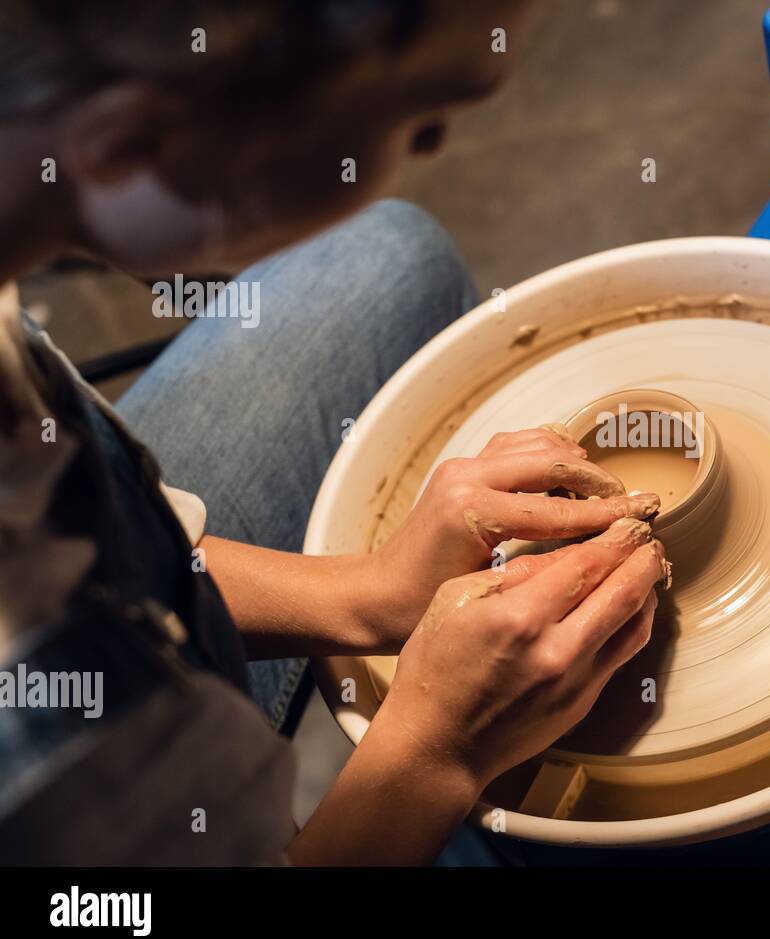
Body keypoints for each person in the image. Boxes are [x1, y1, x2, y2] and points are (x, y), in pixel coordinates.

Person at [0, 0, 667, 865]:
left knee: (386, 255)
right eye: (424, 117)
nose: (431, 150)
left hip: (118, 617)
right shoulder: (42, 729)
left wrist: (366, 595)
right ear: (130, 147)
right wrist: (433, 753)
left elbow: (102, 524)